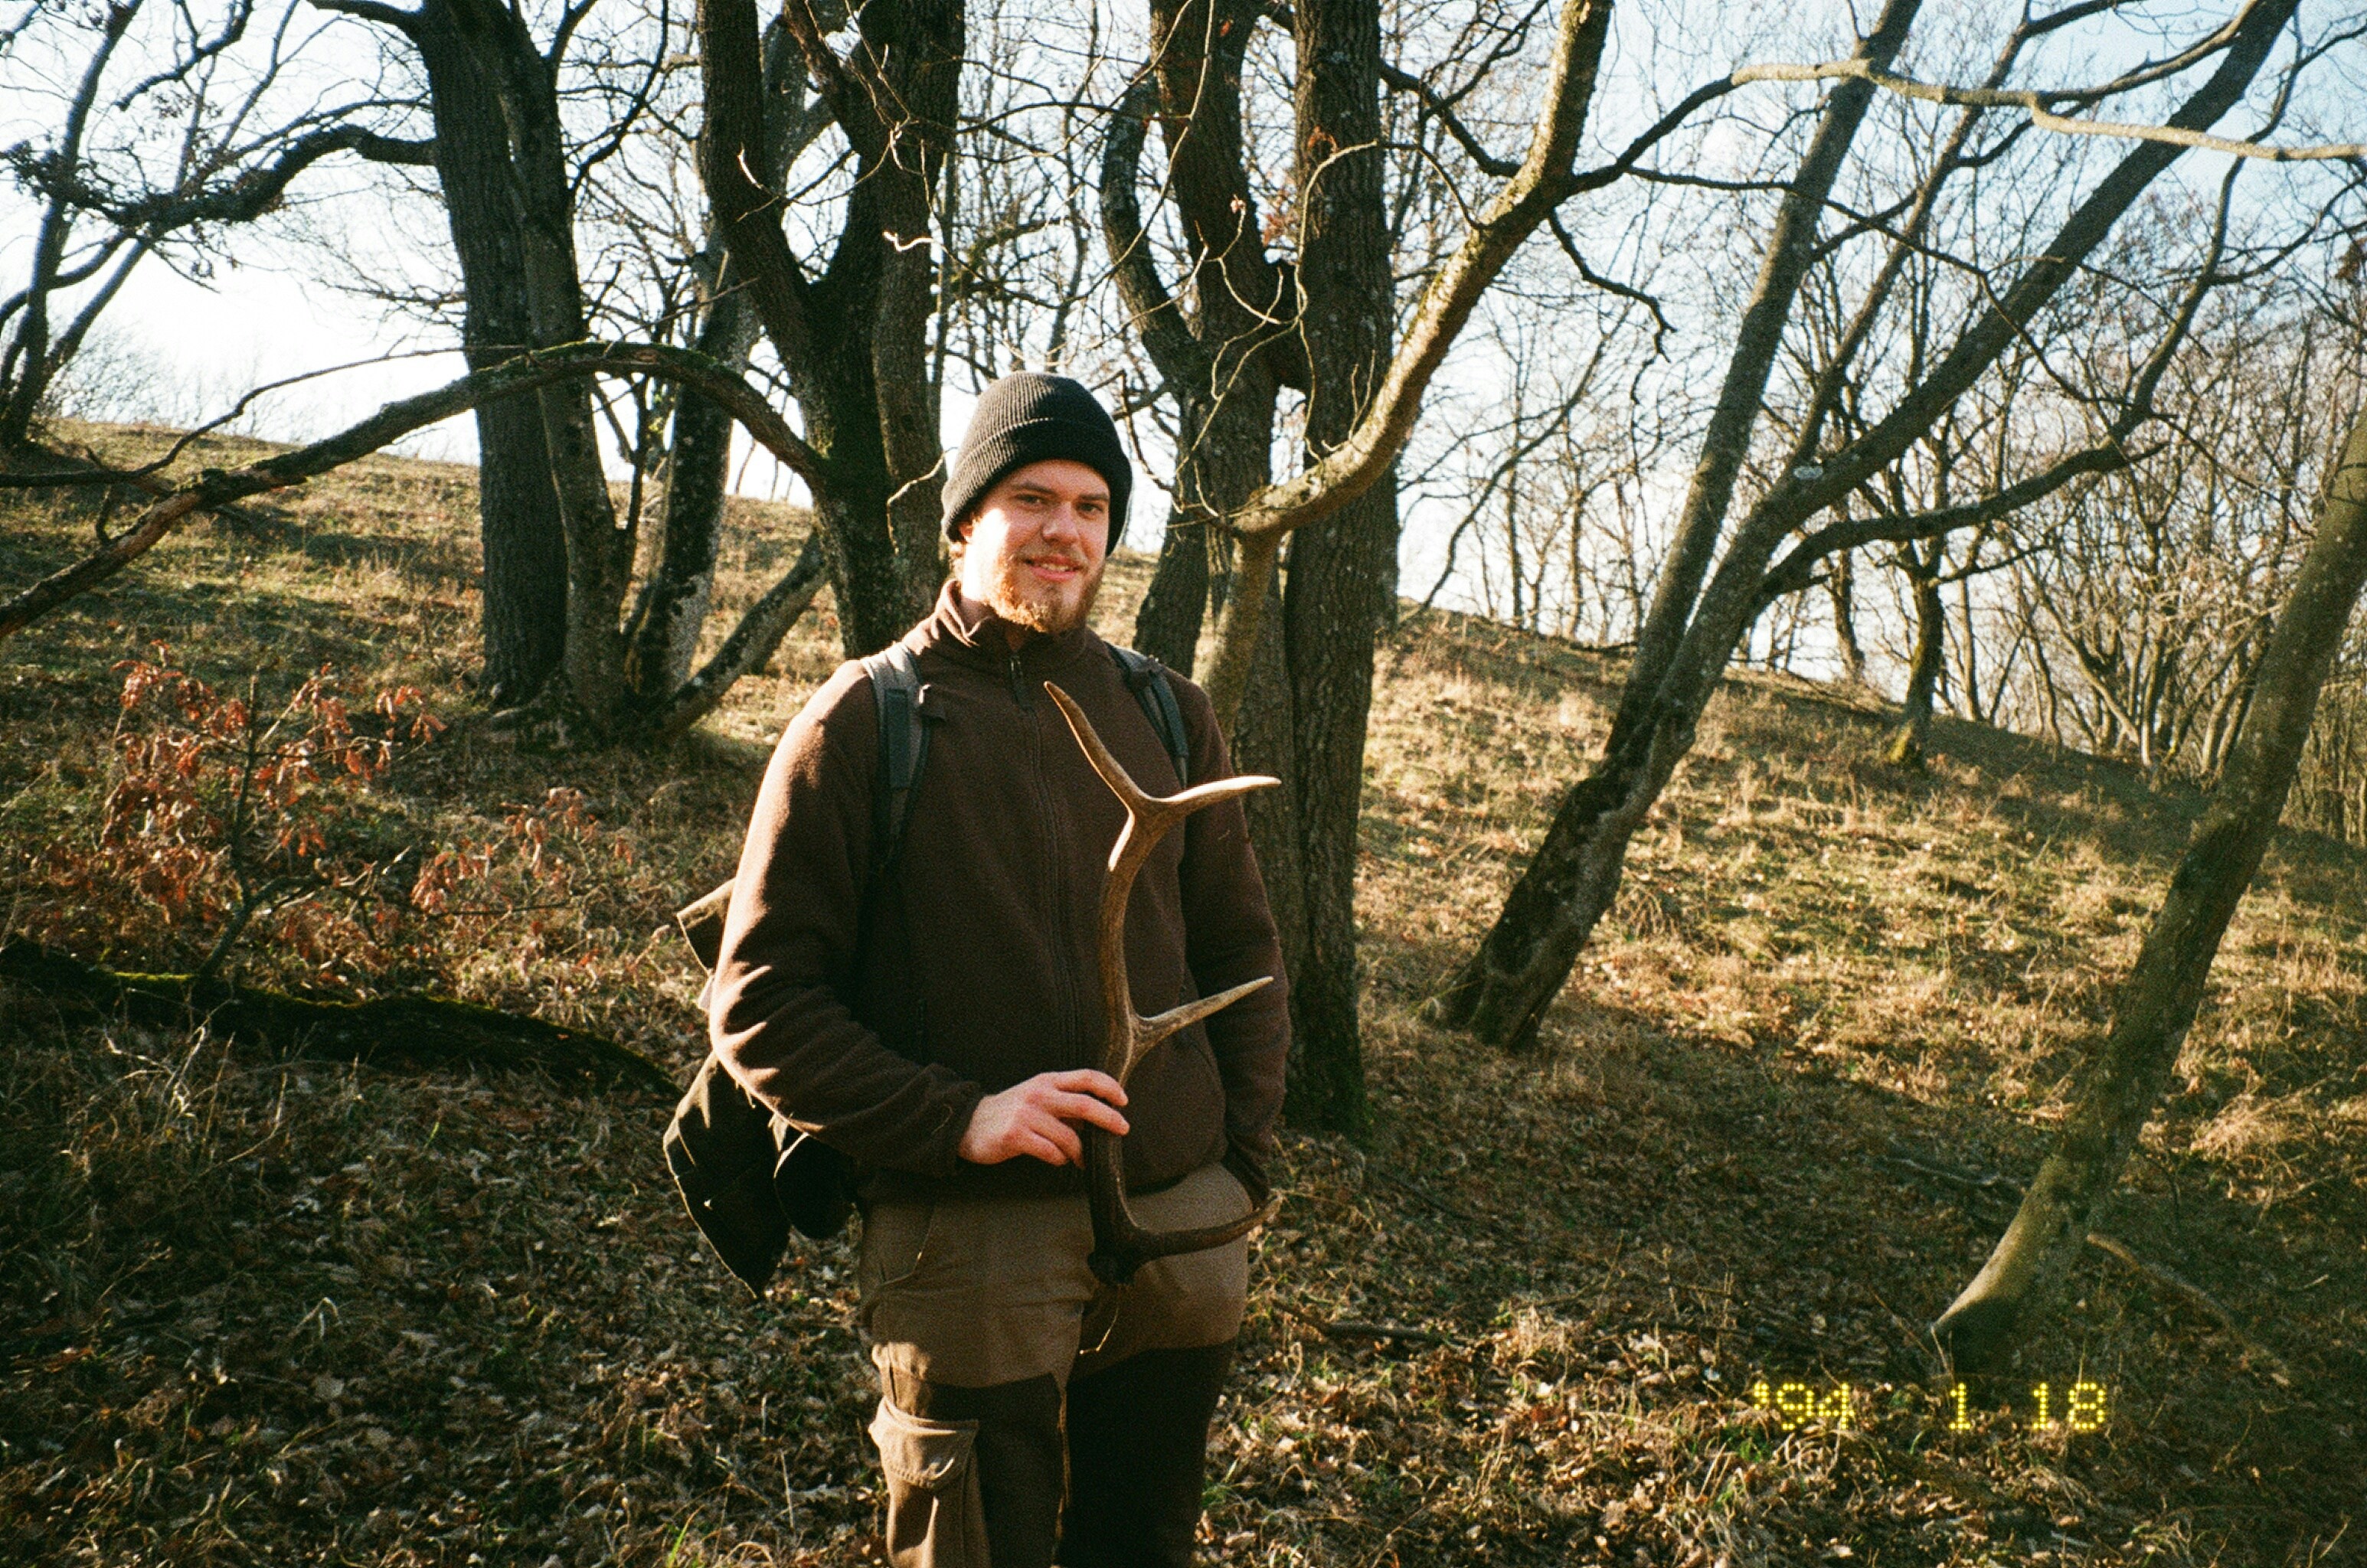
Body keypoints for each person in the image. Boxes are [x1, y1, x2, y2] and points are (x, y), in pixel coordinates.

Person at [705, 371, 1290, 1566]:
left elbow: (1243, 950)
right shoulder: (864, 721)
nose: (1064, 530)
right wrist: (957, 1118)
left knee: (1140, 1550)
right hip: (971, 1245)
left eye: (1090, 506)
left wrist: (1240, 1163)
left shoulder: (1169, 712)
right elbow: (760, 1003)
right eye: (1032, 499)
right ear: (968, 519)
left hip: (1179, 1231)